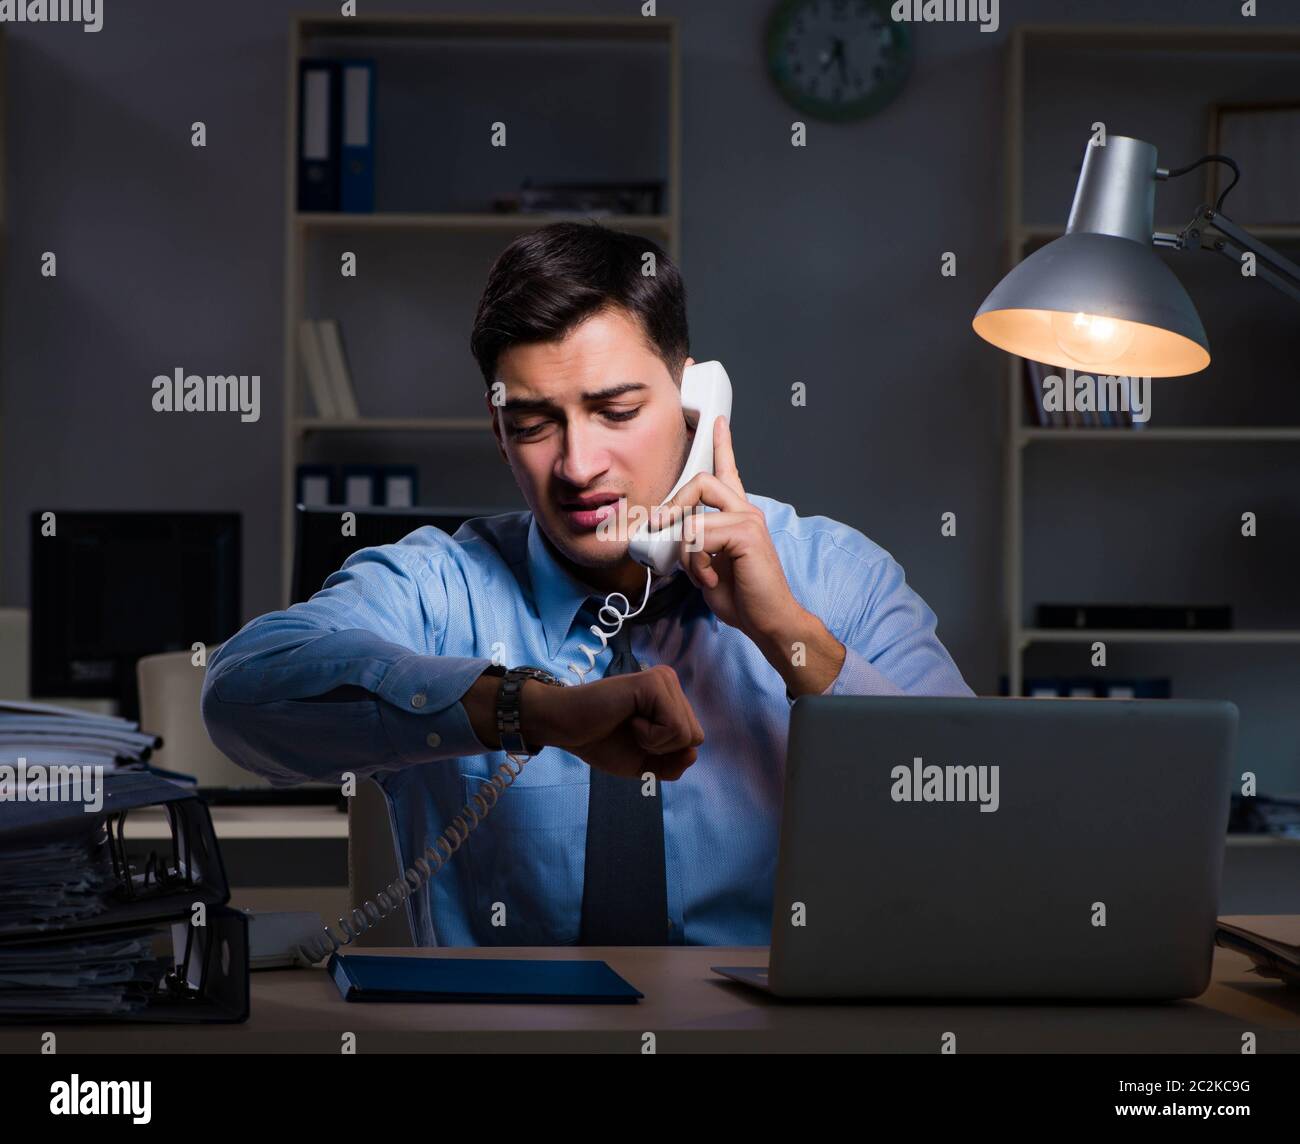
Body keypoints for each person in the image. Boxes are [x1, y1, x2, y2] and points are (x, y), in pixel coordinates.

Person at [201, 221, 972, 947]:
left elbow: (971, 821)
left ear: (697, 401)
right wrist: (528, 709)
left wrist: (788, 635)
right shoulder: (440, 585)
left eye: (616, 410)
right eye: (536, 424)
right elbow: (240, 695)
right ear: (498, 431)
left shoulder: (837, 577)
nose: (577, 466)